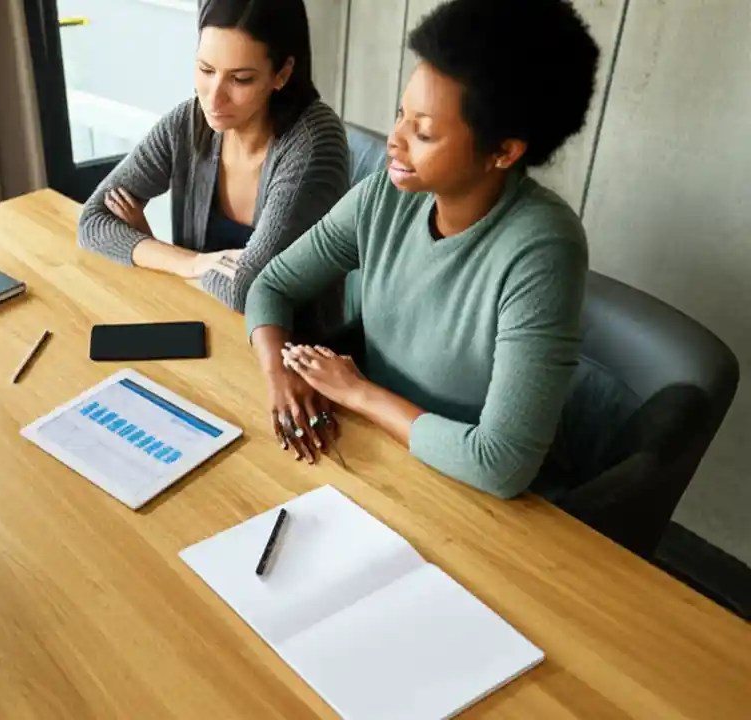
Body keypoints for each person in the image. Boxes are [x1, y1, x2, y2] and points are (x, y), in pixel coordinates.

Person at [245, 0, 600, 498]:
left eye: (425, 131)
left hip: (474, 499)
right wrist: (278, 371)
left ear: (504, 151)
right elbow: (272, 284)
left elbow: (501, 465)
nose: (394, 141)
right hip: (384, 460)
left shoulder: (543, 251)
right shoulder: (384, 196)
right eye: (400, 115)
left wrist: (359, 392)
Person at [77, 0, 350, 317]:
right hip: (197, 321)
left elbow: (246, 290)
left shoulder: (314, 143)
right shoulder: (190, 122)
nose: (213, 96)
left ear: (282, 73)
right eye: (206, 69)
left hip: (290, 350)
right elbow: (94, 222)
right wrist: (189, 262)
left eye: (241, 79)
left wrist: (149, 248)